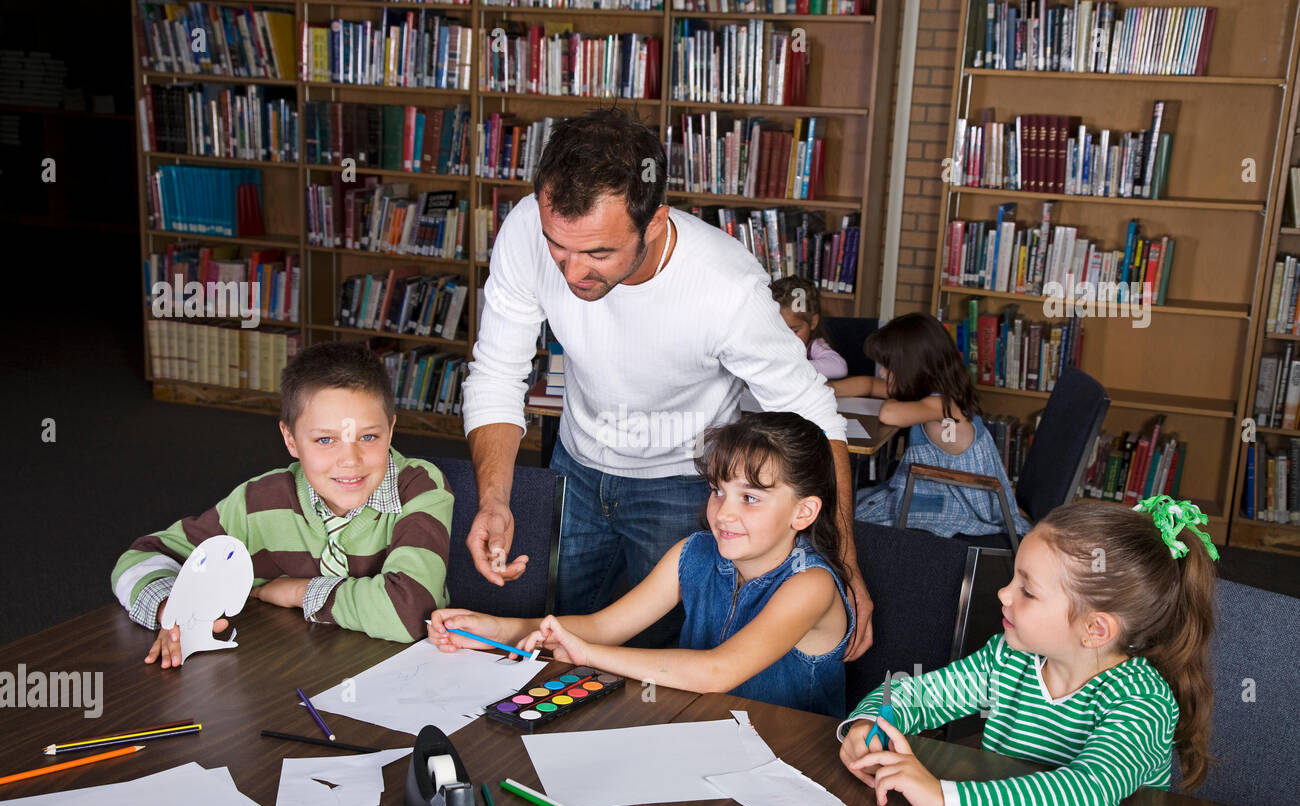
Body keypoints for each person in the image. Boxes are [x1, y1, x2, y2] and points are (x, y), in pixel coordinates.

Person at [460, 107, 873, 654]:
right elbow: (496, 372)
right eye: (558, 246)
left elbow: (816, 418)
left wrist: (845, 565)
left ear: (654, 222)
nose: (570, 272)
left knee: (653, 652)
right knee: (561, 637)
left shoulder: (726, 288)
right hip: (577, 467)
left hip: (683, 483)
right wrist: (494, 499)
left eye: (598, 253)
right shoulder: (524, 232)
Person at [428, 414, 854, 716]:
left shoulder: (811, 585)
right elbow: (603, 626)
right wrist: (492, 629)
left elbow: (717, 672)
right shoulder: (693, 552)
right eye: (717, 490)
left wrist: (590, 655)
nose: (723, 512)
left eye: (750, 498)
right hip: (705, 737)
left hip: (793, 764)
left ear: (804, 513)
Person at [838, 496, 1217, 806]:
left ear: (1095, 629)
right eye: (1012, 579)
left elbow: (1086, 795)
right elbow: (916, 695)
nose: (1003, 594)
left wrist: (943, 798)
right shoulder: (1008, 657)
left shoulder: (1141, 702)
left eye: (1028, 591)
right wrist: (870, 724)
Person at [110, 342, 454, 666]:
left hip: (399, 681)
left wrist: (299, 591)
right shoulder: (259, 503)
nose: (349, 460)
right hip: (286, 673)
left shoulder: (419, 488)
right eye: (325, 440)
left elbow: (407, 612)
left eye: (368, 436)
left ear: (391, 430)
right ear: (290, 439)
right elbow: (142, 557)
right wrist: (172, 610)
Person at [851, 312, 1031, 538]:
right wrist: (824, 387)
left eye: (889, 367)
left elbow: (889, 414)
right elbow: (868, 384)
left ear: (912, 368)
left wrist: (897, 391)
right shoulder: (941, 395)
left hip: (961, 508)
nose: (882, 372)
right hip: (945, 494)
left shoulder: (940, 405)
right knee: (854, 503)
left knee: (850, 516)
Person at [770, 275, 849, 382]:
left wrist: (791, 367)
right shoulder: (766, 341)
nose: (787, 338)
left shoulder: (814, 345)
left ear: (813, 322)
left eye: (794, 331)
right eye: (778, 330)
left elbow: (840, 367)